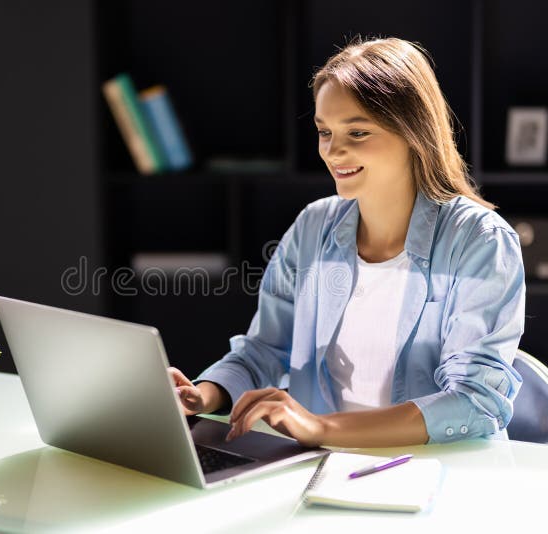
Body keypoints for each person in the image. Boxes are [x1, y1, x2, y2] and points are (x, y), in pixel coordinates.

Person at [169, 37, 525, 448]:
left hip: (437, 475)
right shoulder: (313, 226)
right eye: (324, 131)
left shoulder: (481, 240)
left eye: (357, 132)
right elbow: (265, 349)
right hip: (323, 466)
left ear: (414, 133)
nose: (334, 151)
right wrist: (200, 395)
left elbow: (472, 402)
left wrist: (321, 428)